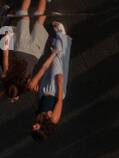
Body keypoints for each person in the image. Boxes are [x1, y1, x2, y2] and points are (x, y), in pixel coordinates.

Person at [28, 9, 71, 141]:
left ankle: (57, 40)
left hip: (43, 91)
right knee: (58, 60)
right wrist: (59, 83)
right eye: (36, 129)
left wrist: (36, 93)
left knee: (51, 64)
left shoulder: (39, 118)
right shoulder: (53, 119)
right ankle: (61, 34)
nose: (34, 126)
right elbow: (59, 103)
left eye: (33, 128)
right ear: (42, 130)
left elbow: (38, 105)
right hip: (54, 90)